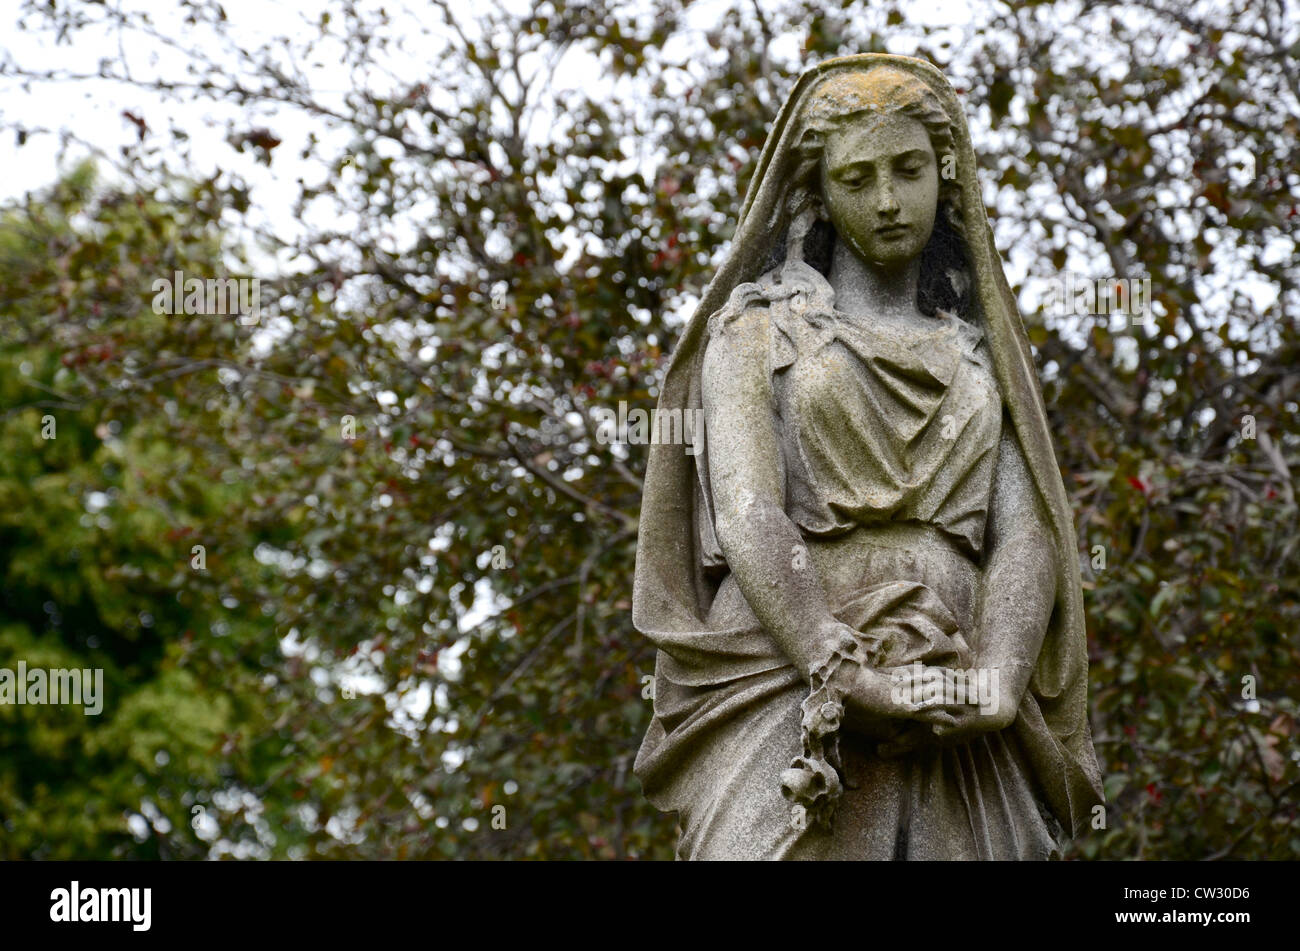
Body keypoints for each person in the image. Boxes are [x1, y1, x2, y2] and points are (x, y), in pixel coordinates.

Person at [632, 54, 1103, 860]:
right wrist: (838, 667)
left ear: (945, 179)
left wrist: (999, 675)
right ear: (819, 193)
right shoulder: (754, 333)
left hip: (956, 692)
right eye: (858, 179)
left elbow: (1028, 534)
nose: (887, 201)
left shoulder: (982, 358)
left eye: (909, 169)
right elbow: (750, 514)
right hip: (787, 677)